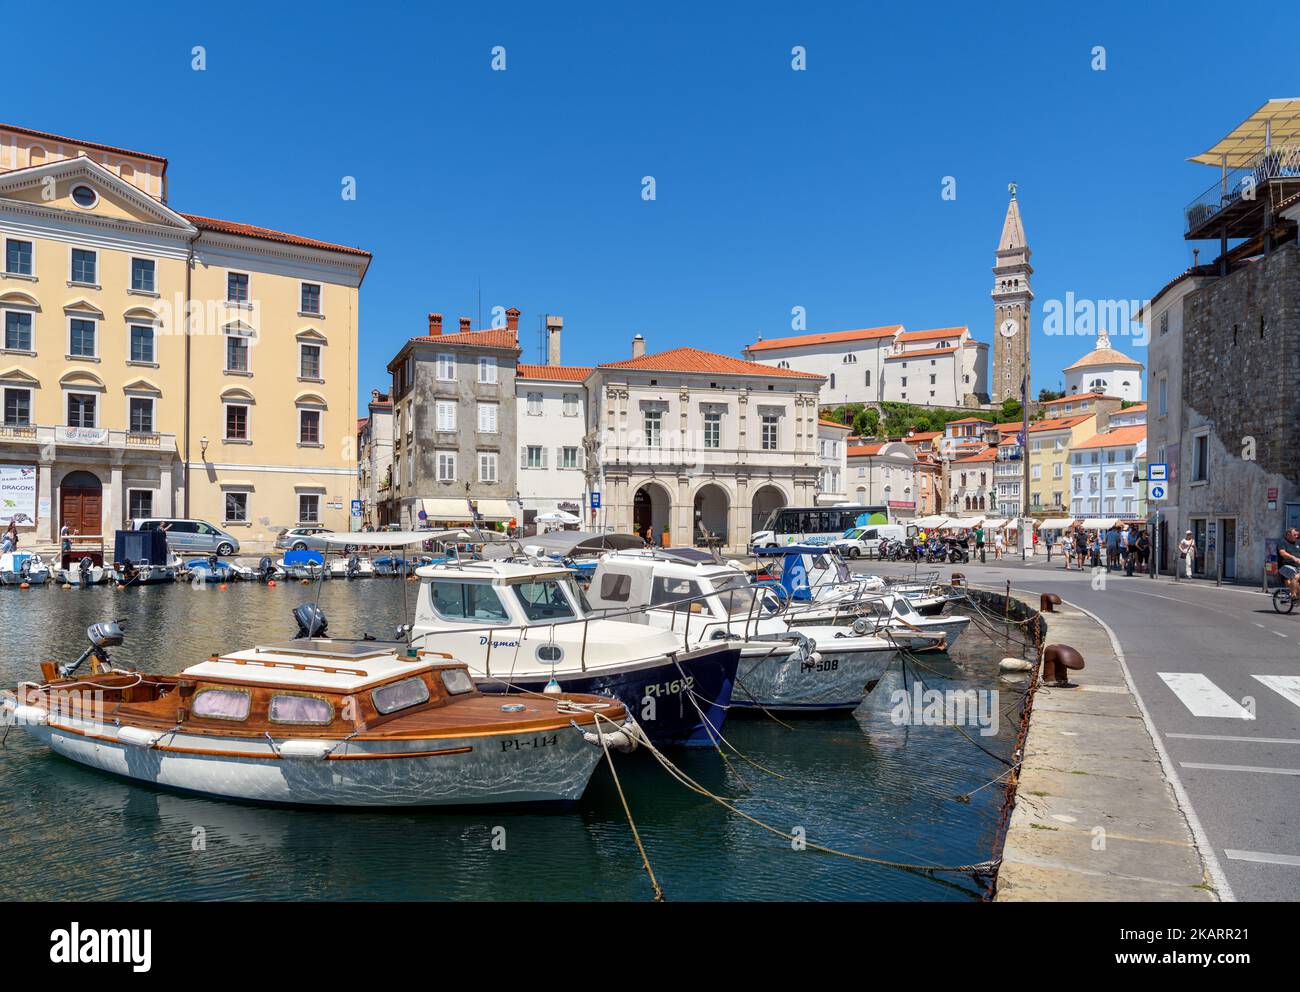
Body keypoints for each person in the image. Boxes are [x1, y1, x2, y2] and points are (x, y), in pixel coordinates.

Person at [1277, 527, 1300, 599]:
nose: (1296, 537)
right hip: (1285, 566)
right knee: (1295, 575)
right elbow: (1282, 553)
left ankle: (1297, 595)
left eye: (1297, 535)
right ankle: (1293, 595)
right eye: (1294, 535)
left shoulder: (1298, 542)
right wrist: (1293, 557)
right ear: (1288, 534)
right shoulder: (1282, 542)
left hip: (1297, 566)